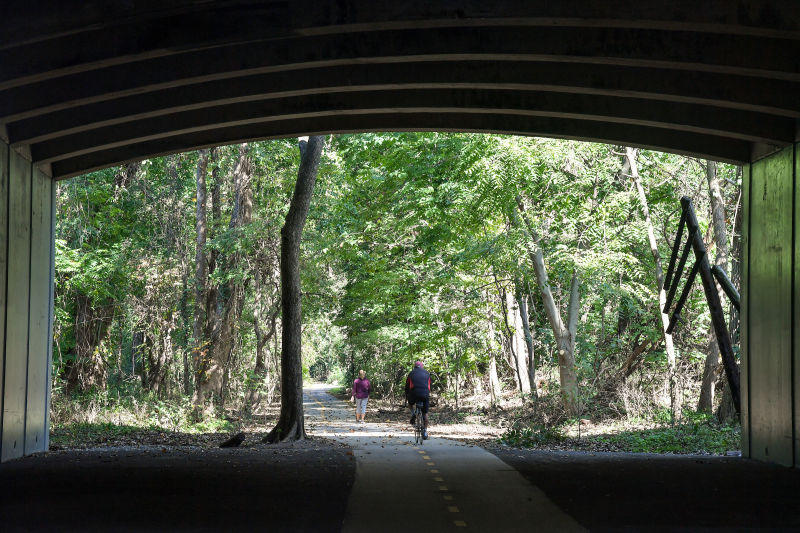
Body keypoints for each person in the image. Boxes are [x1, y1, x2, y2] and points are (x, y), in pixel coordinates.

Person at [405, 361, 431, 439]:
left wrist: (406, 396)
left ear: (415, 366)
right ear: (422, 366)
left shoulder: (411, 373)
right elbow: (429, 386)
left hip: (414, 393)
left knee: (410, 404)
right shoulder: (427, 373)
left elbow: (407, 387)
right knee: (425, 413)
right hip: (425, 394)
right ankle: (425, 431)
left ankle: (413, 413)